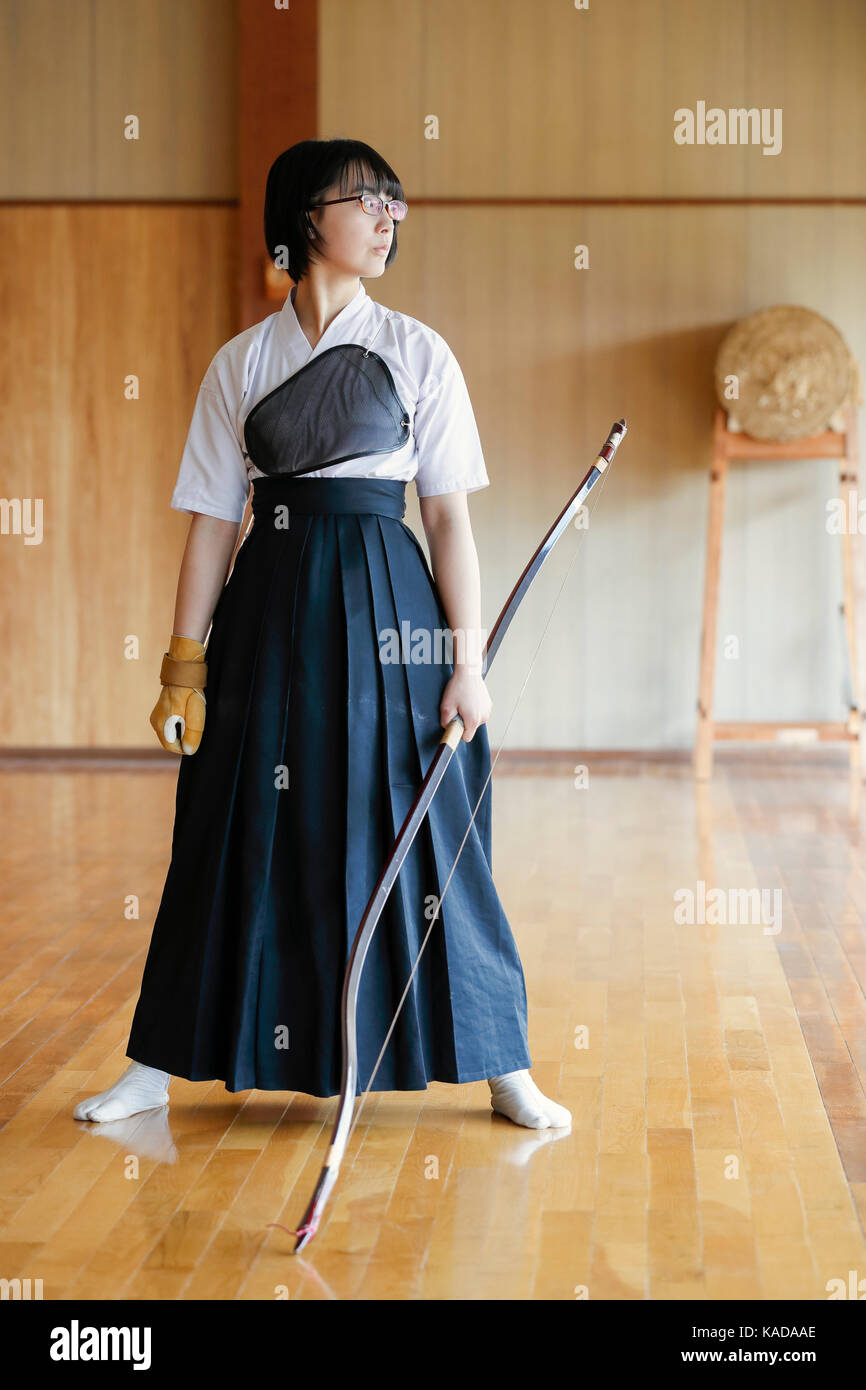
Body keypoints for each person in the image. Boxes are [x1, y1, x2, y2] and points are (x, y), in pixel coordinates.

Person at [74, 138, 571, 1133]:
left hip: (393, 613)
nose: (388, 219)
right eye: (365, 201)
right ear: (306, 219)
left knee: (426, 827)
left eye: (395, 204)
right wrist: (183, 668)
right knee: (225, 827)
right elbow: (212, 525)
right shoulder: (242, 361)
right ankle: (155, 1064)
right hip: (268, 609)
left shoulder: (418, 351)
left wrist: (466, 664)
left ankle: (500, 1059)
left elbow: (448, 522)